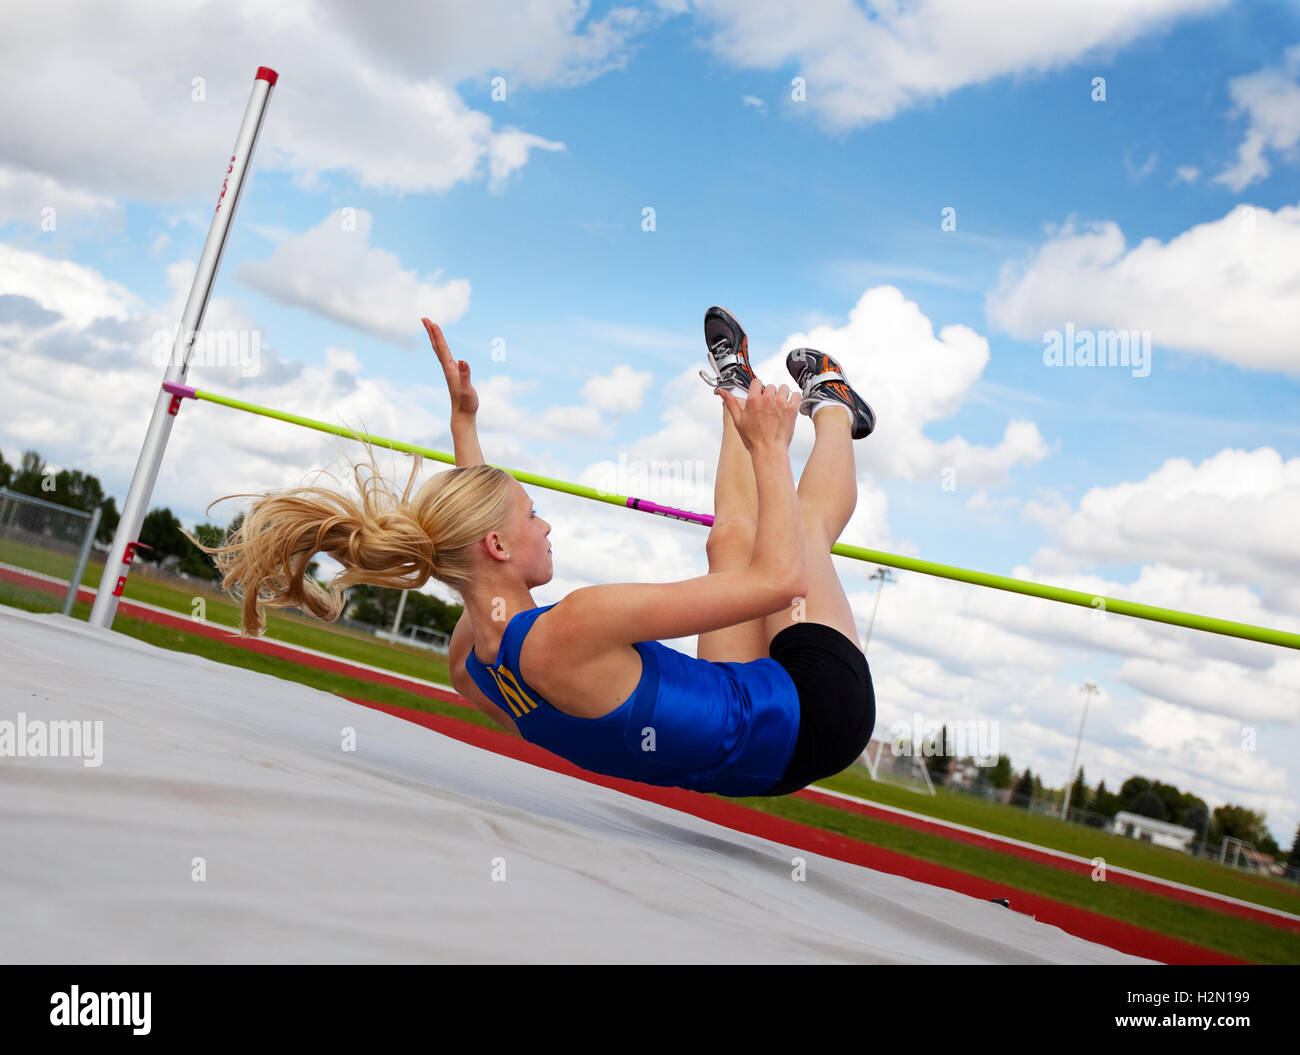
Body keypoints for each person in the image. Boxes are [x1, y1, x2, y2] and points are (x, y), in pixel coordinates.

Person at [204, 308, 876, 798]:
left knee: (727, 539)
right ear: (498, 542)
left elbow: (469, 553)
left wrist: (464, 426)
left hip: (747, 743)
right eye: (533, 514)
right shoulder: (575, 624)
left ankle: (733, 386)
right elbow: (780, 576)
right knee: (805, 530)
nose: (547, 524)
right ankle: (837, 408)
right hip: (819, 714)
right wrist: (767, 448)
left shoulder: (472, 661)